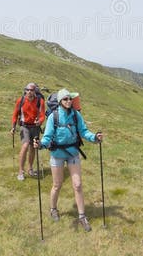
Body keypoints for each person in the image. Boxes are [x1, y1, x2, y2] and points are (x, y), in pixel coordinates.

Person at [34, 89, 103, 232]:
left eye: (70, 99)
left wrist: (94, 138)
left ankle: (82, 216)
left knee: (77, 185)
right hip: (57, 154)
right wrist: (41, 144)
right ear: (60, 101)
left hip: (72, 153)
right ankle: (53, 209)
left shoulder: (76, 115)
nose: (69, 101)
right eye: (65, 99)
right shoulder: (54, 117)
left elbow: (83, 131)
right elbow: (47, 137)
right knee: (57, 184)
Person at [11, 83, 45, 181]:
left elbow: (42, 115)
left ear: (35, 91)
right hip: (24, 126)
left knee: (33, 148)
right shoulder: (20, 101)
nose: (30, 92)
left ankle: (30, 169)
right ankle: (21, 171)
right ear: (25, 90)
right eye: (28, 90)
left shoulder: (40, 101)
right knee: (25, 145)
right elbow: (15, 114)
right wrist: (13, 127)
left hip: (35, 127)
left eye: (32, 90)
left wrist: (40, 121)